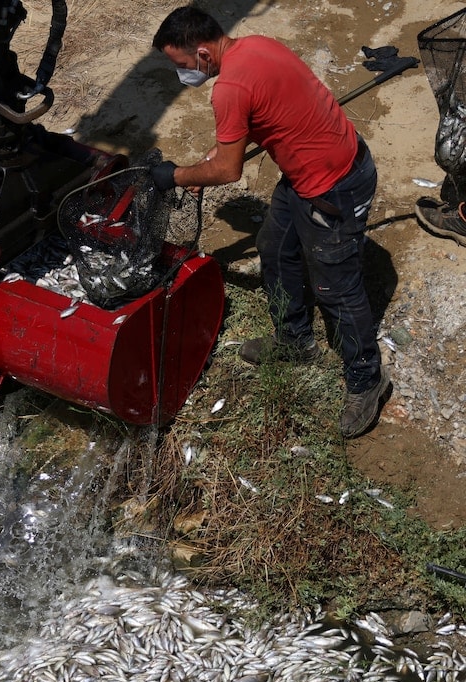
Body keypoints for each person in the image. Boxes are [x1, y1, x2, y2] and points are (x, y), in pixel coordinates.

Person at [149, 6, 389, 439]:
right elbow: (246, 127)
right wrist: (210, 158)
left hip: (334, 186)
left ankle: (367, 380)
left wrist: (176, 176)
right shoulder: (256, 46)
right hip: (308, 173)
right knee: (275, 246)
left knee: (336, 287)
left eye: (180, 64)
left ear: (202, 53)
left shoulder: (229, 88)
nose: (180, 72)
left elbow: (228, 171)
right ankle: (295, 339)